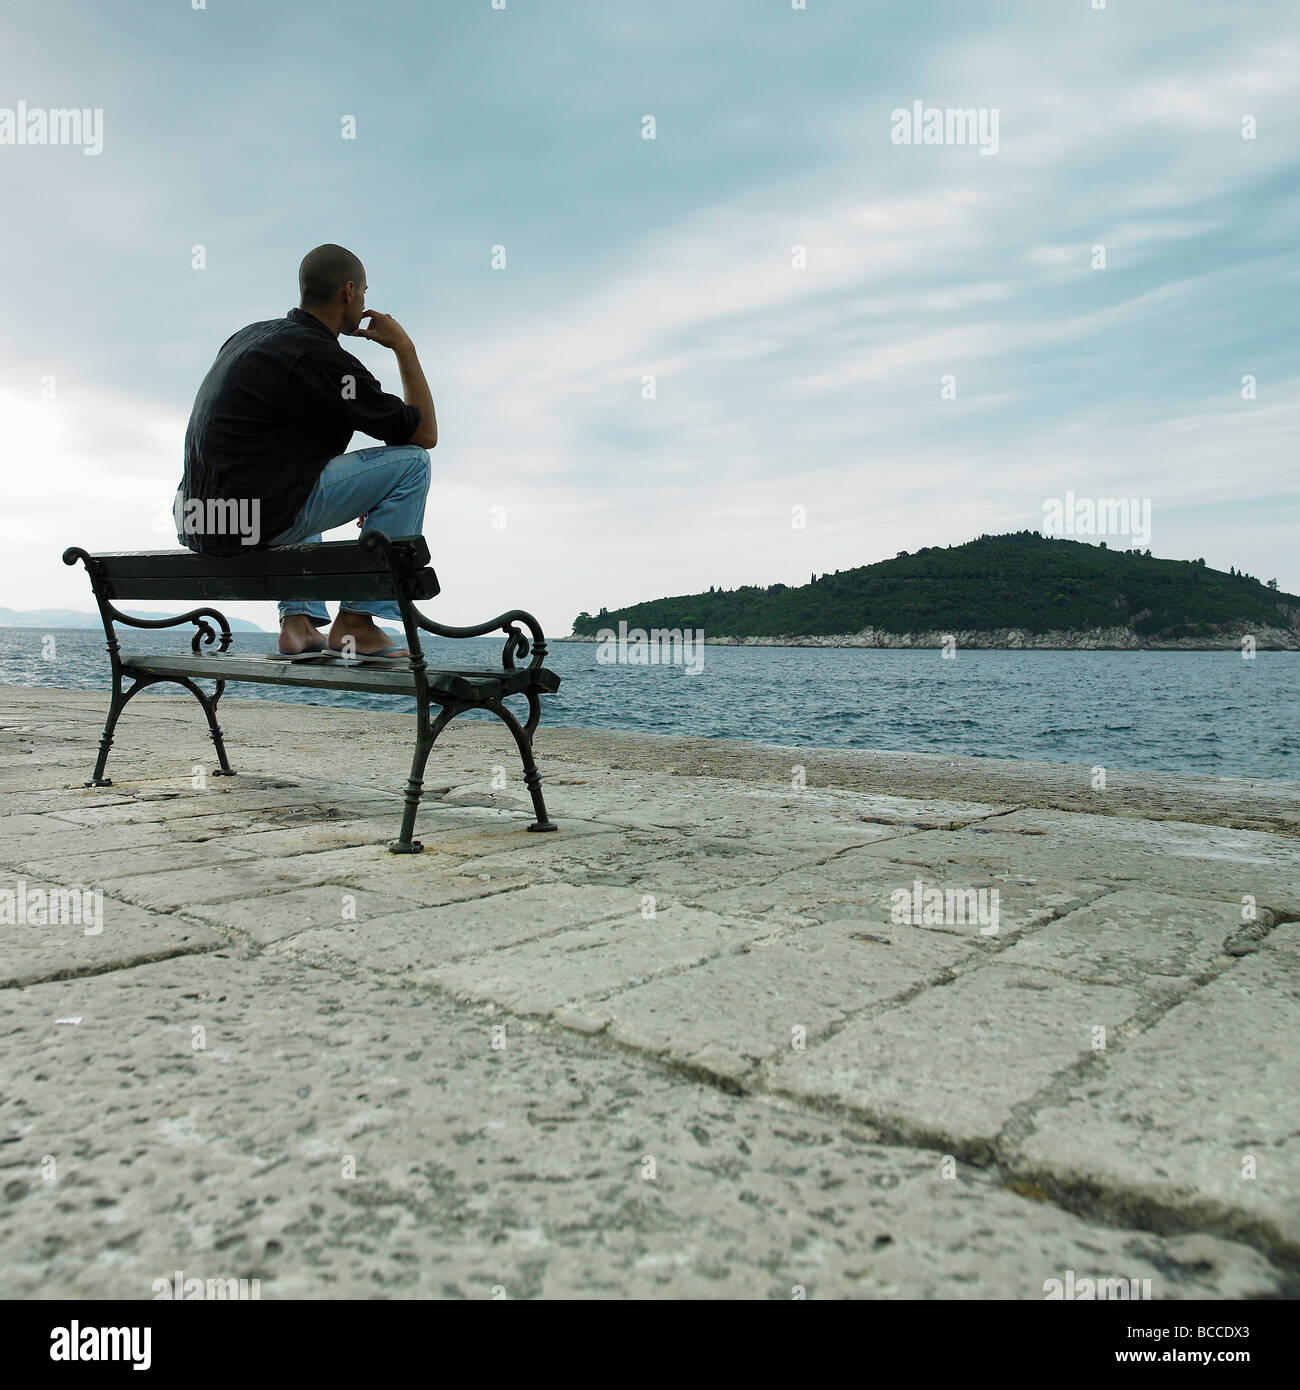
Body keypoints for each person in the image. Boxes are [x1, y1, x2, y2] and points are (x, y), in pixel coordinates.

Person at [174, 243, 437, 661]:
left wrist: (364, 493)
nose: (365, 301)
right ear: (348, 292)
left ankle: (296, 623)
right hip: (258, 517)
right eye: (365, 292)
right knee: (413, 466)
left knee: (295, 472)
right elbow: (423, 434)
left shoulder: (247, 337)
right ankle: (356, 622)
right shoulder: (327, 360)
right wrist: (405, 347)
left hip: (197, 518)